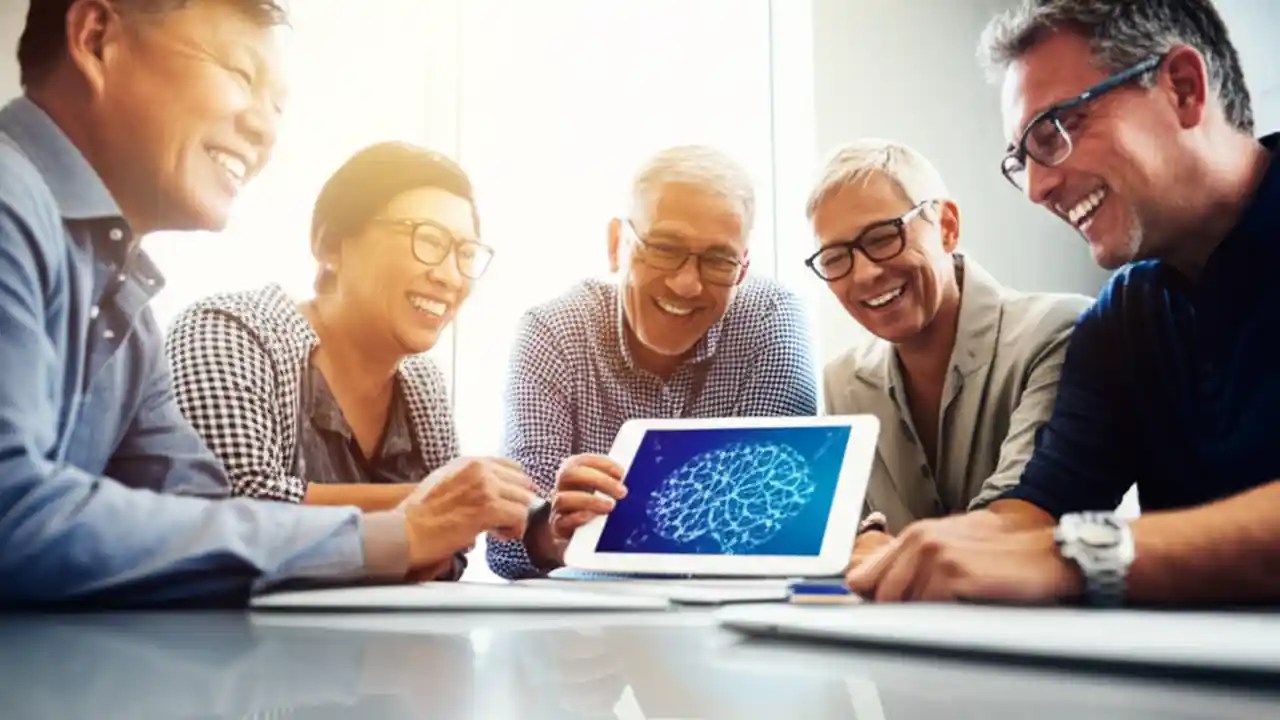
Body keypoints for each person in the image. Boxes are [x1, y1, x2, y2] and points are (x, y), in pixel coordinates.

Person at [0, 0, 534, 606]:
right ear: (96, 38)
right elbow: (12, 511)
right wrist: (395, 534)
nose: (264, 130)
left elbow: (203, 511)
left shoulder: (127, 306)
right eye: (240, 75)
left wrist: (425, 531)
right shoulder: (13, 202)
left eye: (276, 106)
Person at [848, 0, 1280, 606]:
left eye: (1053, 132)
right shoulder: (1124, 316)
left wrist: (1081, 556)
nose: (1036, 186)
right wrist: (916, 555)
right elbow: (1040, 509)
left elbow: (1049, 546)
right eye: (1020, 159)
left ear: (1183, 88)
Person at [487, 145, 820, 579]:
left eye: (718, 260)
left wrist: (600, 533)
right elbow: (506, 547)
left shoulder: (769, 320)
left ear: (742, 268)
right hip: (590, 615)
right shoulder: (554, 332)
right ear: (616, 245)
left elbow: (773, 523)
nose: (686, 284)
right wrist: (549, 532)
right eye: (663, 247)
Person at [167, 142, 497, 579]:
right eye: (428, 240)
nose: (450, 275)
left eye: (466, 253)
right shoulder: (229, 330)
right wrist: (443, 505)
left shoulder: (421, 383)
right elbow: (235, 507)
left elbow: (452, 549)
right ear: (330, 245)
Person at [807, 138, 1089, 565]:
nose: (863, 274)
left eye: (883, 238)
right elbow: (844, 536)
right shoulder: (840, 383)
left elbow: (1023, 518)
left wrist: (875, 550)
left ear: (946, 227)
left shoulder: (1056, 331)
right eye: (834, 259)